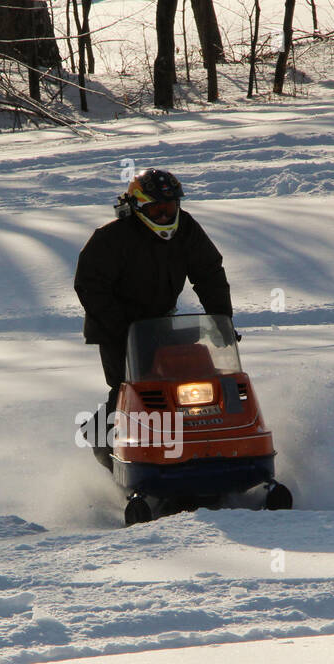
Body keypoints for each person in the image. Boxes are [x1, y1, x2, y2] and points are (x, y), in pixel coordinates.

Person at [73, 168, 233, 465]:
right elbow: (89, 284)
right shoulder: (111, 238)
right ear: (137, 207)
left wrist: (221, 319)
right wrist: (121, 328)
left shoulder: (186, 229)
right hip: (116, 329)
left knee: (190, 378)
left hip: (161, 320)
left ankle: (205, 448)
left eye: (169, 208)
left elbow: (209, 272)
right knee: (133, 388)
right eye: (156, 209)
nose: (164, 216)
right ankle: (106, 442)